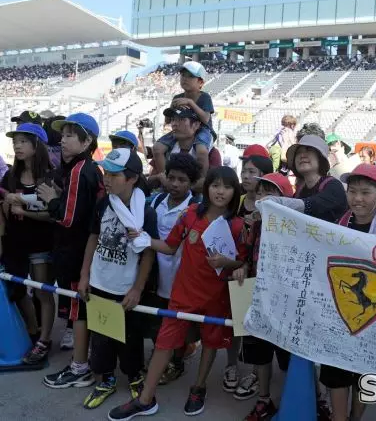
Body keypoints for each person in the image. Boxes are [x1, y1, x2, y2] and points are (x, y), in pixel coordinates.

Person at [108, 166, 247, 420]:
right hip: (182, 294)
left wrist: (228, 264)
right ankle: (145, 399)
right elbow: (170, 247)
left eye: (227, 187)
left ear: (234, 192)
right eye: (215, 185)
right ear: (207, 188)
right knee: (164, 343)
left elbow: (243, 263)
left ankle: (199, 388)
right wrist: (145, 239)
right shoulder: (190, 214)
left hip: (217, 297)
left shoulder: (238, 226)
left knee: (210, 344)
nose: (220, 191)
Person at [259, 135, 347, 420]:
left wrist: (277, 204)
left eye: (311, 152)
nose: (303, 156)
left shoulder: (332, 186)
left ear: (323, 158)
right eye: (299, 153)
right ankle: (312, 398)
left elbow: (318, 208)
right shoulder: (297, 193)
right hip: (307, 274)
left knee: (325, 344)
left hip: (331, 277)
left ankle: (328, 405)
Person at [78, 148, 158, 409]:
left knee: (130, 339)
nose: (107, 179)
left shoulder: (145, 212)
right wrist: (84, 275)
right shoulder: (103, 203)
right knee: (101, 338)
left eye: (114, 174)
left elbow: (148, 253)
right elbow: (92, 238)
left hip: (126, 289)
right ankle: (106, 380)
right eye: (106, 173)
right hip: (100, 285)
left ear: (133, 178)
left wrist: (137, 288)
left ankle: (135, 376)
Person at [323, 164, 376, 421]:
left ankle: (355, 417)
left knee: (364, 372)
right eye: (352, 191)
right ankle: (339, 418)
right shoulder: (337, 226)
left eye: (365, 192)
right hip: (340, 312)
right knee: (336, 369)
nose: (357, 198)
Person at [37, 113, 104, 389]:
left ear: (87, 141)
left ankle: (80, 367)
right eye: (62, 135)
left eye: (69, 136)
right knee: (80, 309)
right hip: (79, 251)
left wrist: (51, 200)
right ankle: (85, 361)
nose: (62, 140)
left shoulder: (80, 170)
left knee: (79, 310)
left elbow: (68, 218)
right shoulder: (81, 169)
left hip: (77, 253)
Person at [234, 172, 294, 420]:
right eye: (260, 192)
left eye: (270, 192)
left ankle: (306, 398)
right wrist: (243, 267)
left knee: (290, 357)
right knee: (260, 353)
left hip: (285, 302)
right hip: (258, 295)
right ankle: (263, 398)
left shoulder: (296, 229)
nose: (263, 197)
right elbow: (247, 256)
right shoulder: (255, 225)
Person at [145, 153, 201, 385]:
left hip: (180, 275)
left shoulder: (196, 208)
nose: (175, 184)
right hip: (156, 273)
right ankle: (159, 357)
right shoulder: (156, 201)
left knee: (179, 324)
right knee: (158, 320)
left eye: (182, 180)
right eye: (172, 178)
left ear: (192, 183)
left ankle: (176, 361)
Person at [1, 123, 55, 364]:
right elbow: (4, 209)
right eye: (15, 141)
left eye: (23, 141)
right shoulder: (10, 175)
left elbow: (53, 214)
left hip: (41, 243)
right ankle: (33, 334)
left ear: (36, 145)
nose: (17, 145)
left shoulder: (50, 176)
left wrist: (22, 206)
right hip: (15, 242)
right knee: (18, 291)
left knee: (44, 293)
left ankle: (44, 341)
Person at [152, 62, 214, 169]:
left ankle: (202, 179)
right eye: (183, 75)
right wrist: (172, 107)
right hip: (181, 129)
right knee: (157, 148)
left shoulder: (204, 97)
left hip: (203, 130)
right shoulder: (177, 97)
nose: (185, 79)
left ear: (201, 82)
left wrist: (191, 103)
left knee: (202, 151)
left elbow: (205, 119)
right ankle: (164, 176)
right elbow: (167, 120)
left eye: (190, 76)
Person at [149, 106, 209, 194]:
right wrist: (159, 177)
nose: (174, 124)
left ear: (196, 125)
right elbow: (150, 181)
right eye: (173, 119)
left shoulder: (210, 153)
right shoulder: (165, 151)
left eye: (181, 119)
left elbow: (211, 184)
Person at [109, 130, 151, 196]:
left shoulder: (140, 179)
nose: (118, 150)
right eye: (114, 146)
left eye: (122, 147)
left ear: (133, 149)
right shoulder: (109, 168)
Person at [238, 145, 274, 222]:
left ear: (264, 174)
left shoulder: (272, 206)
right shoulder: (237, 202)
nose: (245, 176)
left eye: (251, 172)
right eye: (243, 171)